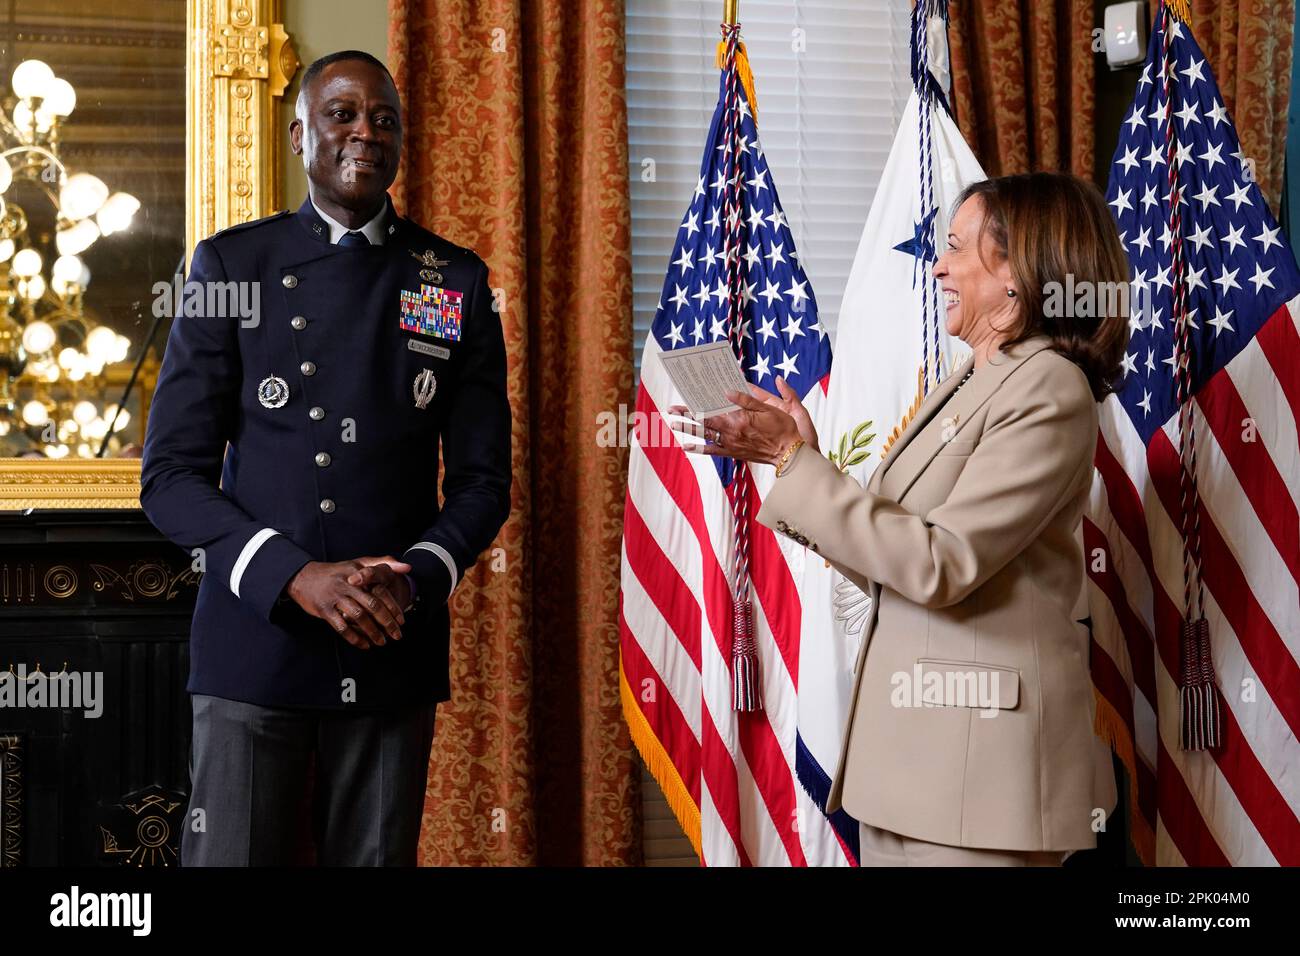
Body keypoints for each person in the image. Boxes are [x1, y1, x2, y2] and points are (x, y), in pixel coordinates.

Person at [672, 172, 1125, 866]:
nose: (938, 265)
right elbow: (898, 561)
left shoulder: (1048, 387)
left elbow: (941, 564)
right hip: (910, 774)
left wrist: (796, 464)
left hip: (980, 790)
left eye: (957, 247)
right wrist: (798, 461)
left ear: (1019, 271)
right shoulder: (971, 380)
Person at [140, 50, 511, 866]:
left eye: (384, 119)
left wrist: (412, 578)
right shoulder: (232, 266)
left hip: (389, 640)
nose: (366, 133)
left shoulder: (452, 280)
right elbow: (169, 478)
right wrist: (295, 576)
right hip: (255, 643)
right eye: (342, 114)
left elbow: (484, 480)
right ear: (301, 133)